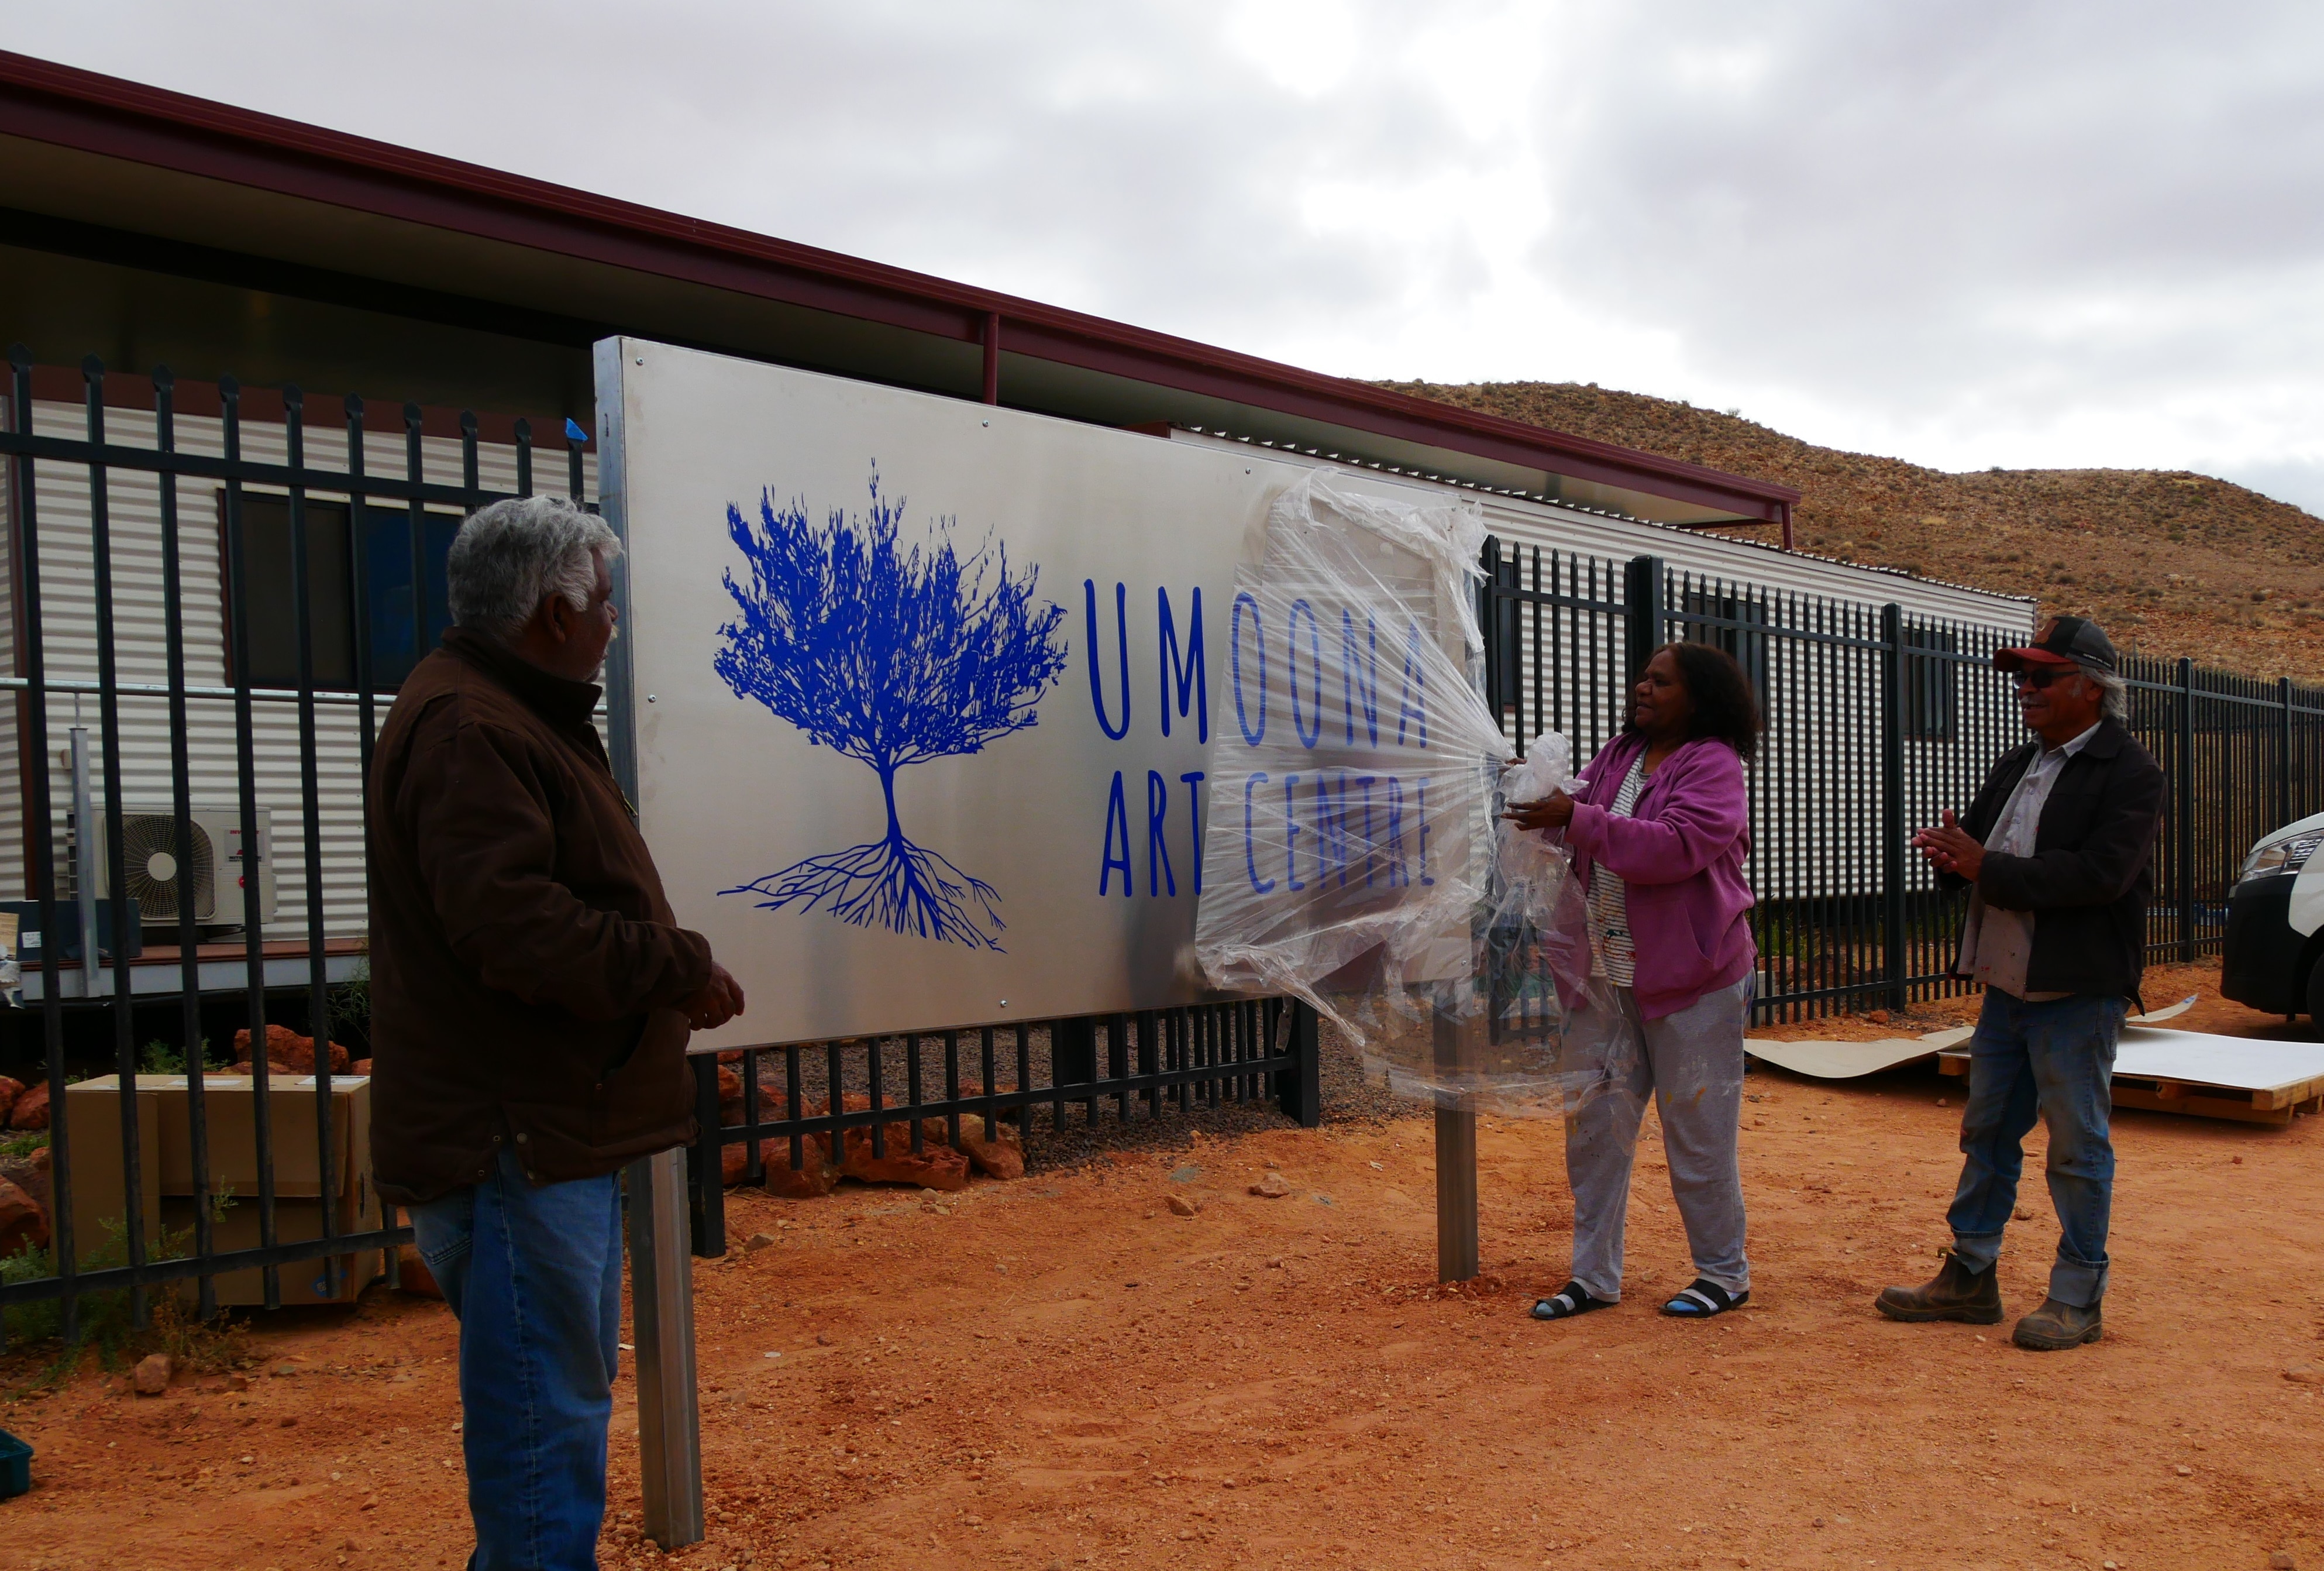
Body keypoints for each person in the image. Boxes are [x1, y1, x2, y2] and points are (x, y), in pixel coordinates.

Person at [370, 495, 746, 1569]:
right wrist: (677, 966)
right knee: (543, 1430)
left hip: (538, 1137)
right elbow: (518, 934)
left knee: (557, 1404)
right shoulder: (474, 728)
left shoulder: (504, 713)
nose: (612, 624)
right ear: (549, 612)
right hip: (513, 1145)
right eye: (604, 605)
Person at [1878, 615, 2161, 1352]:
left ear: (2091, 688)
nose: (2023, 690)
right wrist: (1950, 857)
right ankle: (1970, 1276)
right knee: (1987, 1132)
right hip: (2006, 985)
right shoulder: (2019, 762)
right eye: (2021, 678)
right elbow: (1978, 849)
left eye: (2041, 677)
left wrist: (1984, 867)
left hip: (2075, 990)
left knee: (2076, 1145)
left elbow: (2101, 876)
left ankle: (2077, 1295)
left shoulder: (2131, 773)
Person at [1506, 642, 1761, 1322]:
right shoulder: (1618, 756)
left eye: (1661, 681)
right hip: (1605, 980)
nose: (1642, 688)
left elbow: (1676, 848)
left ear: (1698, 697)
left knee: (1697, 1133)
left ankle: (1723, 1274)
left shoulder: (1713, 766)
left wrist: (1574, 817)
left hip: (1693, 980)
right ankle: (1592, 1277)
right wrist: (1534, 800)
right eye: (1642, 677)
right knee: (1594, 1132)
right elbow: (1577, 825)